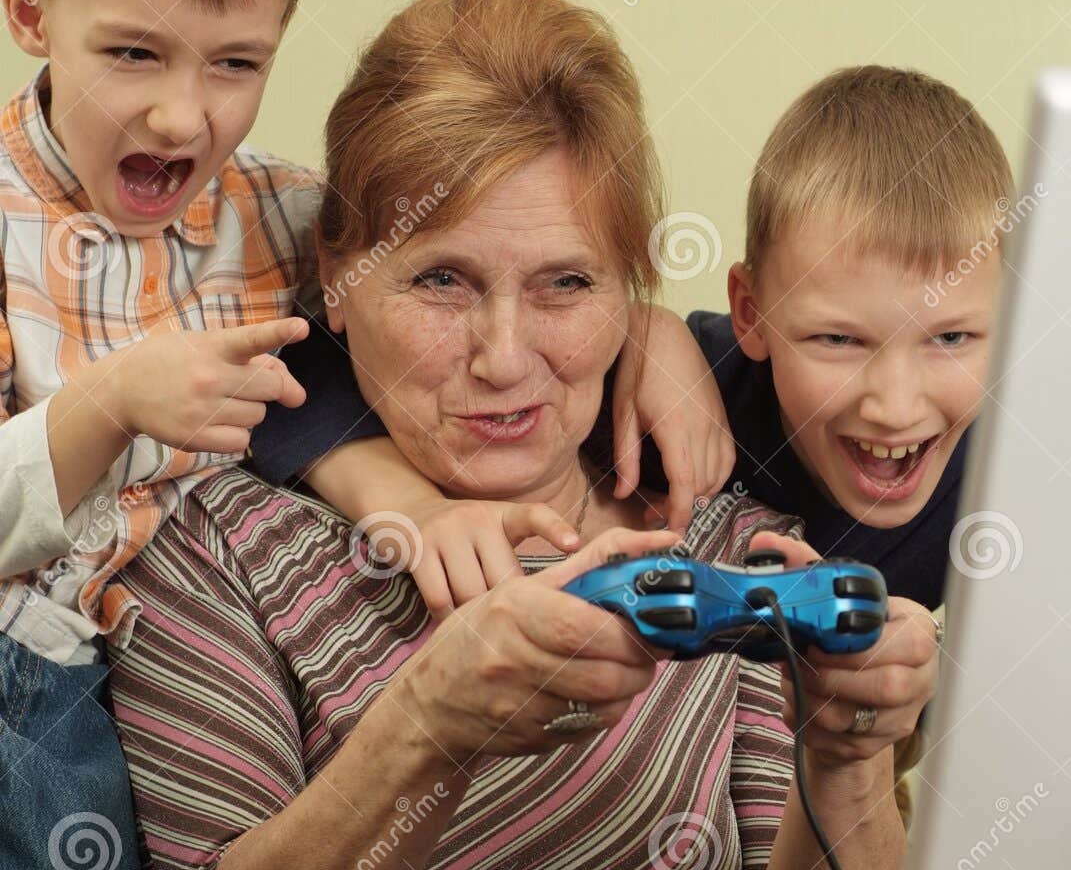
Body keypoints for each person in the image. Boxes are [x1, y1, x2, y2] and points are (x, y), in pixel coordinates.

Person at [107, 0, 938, 870]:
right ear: (338, 272)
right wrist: (424, 730)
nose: (504, 358)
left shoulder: (726, 540)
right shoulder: (209, 546)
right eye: (442, 280)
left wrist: (850, 759)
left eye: (564, 285)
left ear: (632, 292)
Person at [252, 65, 1012, 613]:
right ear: (750, 317)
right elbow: (294, 360)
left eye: (950, 337)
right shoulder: (674, 393)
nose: (893, 404)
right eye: (838, 341)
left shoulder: (1021, 482)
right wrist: (399, 499)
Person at [0, 0, 319, 870]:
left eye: (235, 64)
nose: (185, 115)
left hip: (195, 668)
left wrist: (673, 346)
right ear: (30, 13)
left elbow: (480, 249)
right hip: (31, 669)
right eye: (132, 52)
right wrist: (110, 403)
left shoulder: (283, 213)